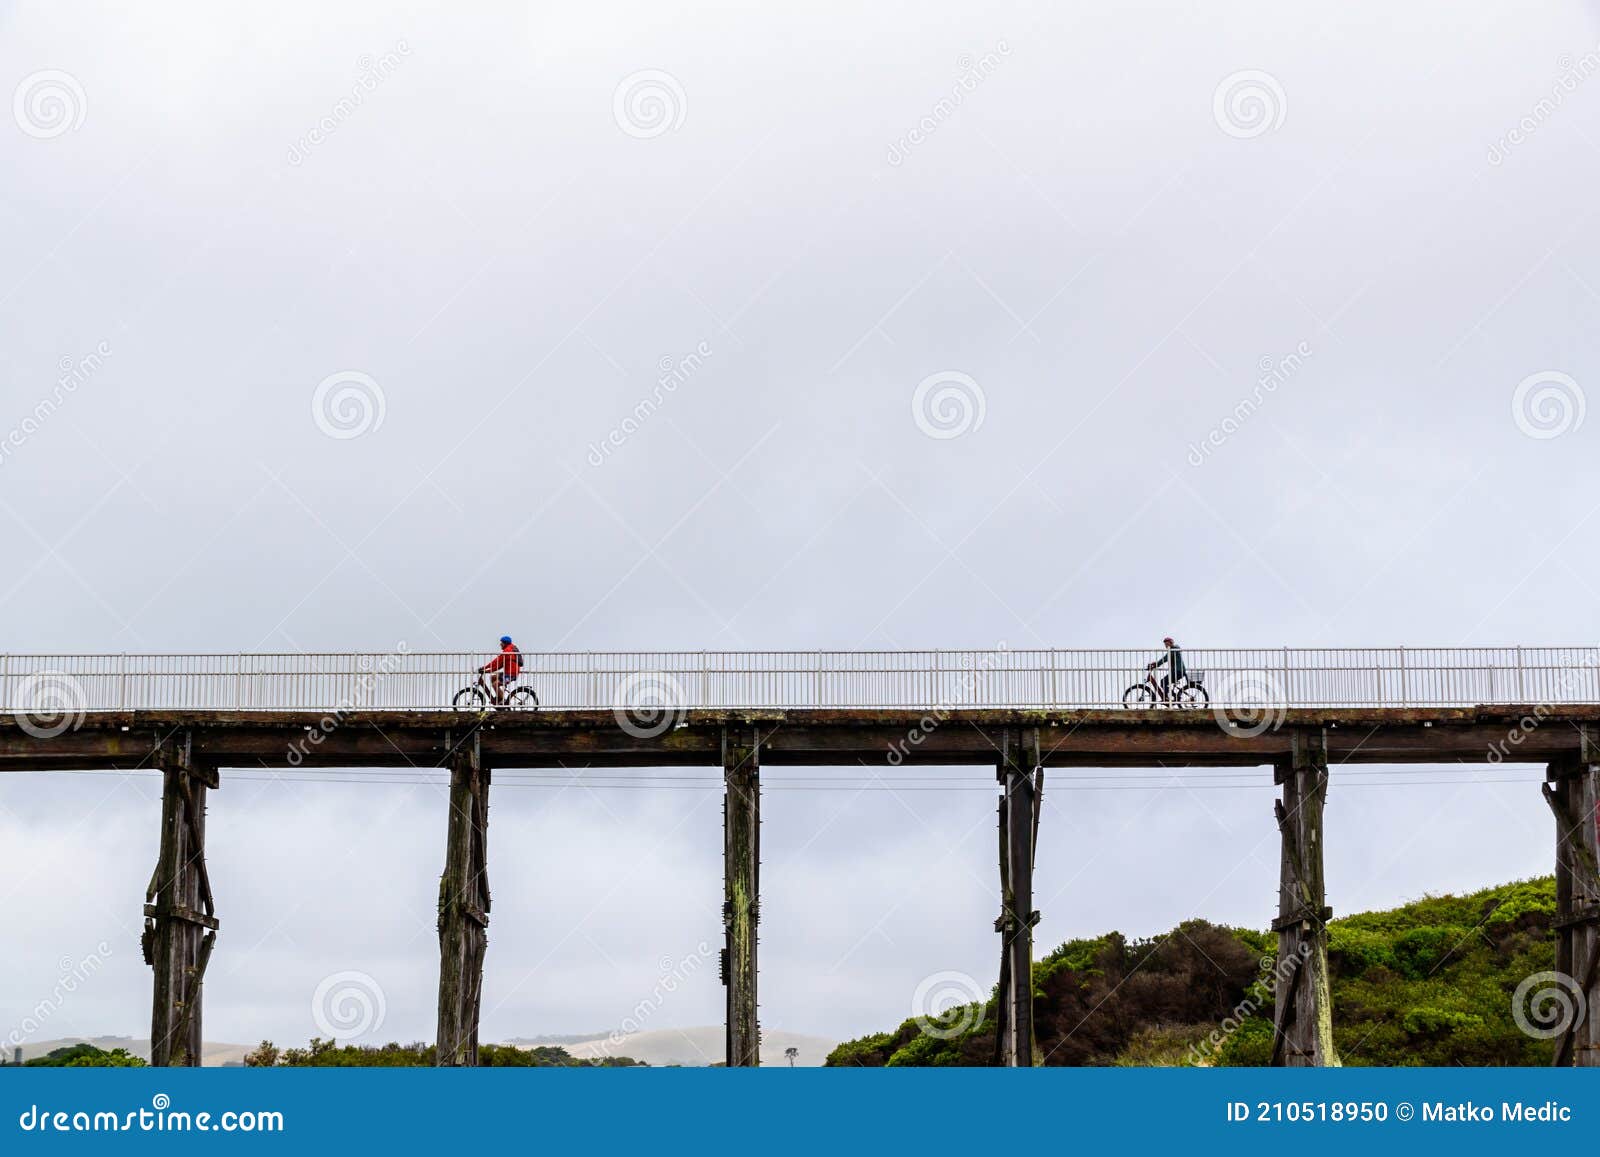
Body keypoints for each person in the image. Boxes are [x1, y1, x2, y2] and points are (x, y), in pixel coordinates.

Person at [478, 635, 522, 705]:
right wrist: (486, 670)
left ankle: (502, 702)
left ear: (505, 643)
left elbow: (496, 662)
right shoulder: (510, 649)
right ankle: (499, 697)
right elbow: (498, 666)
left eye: (501, 643)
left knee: (495, 685)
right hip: (509, 673)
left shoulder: (507, 651)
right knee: (492, 677)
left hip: (511, 674)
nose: (500, 644)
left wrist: (484, 668)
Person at [1147, 636, 1186, 701]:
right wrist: (1156, 664)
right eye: (1165, 645)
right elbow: (1166, 658)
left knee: (1163, 682)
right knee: (1164, 682)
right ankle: (1173, 696)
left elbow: (1165, 658)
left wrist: (1155, 664)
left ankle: (1167, 698)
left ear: (1171, 643)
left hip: (1178, 671)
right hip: (1177, 671)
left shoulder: (1174, 649)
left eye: (1167, 644)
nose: (1166, 646)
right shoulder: (1172, 650)